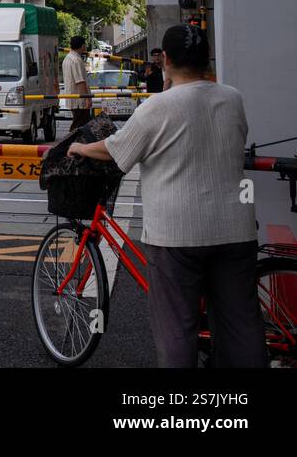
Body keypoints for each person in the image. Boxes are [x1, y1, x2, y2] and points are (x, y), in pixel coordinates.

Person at [68, 25, 266, 367]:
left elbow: (118, 152)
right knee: (241, 325)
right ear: (207, 60)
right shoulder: (232, 98)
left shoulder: (157, 106)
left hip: (176, 236)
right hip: (236, 228)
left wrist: (81, 147)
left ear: (166, 61)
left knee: (177, 328)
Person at [61, 35, 92, 130]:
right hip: (79, 100)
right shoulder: (76, 60)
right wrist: (87, 98)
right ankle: (71, 143)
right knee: (79, 127)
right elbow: (80, 81)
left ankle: (75, 143)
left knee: (78, 124)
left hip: (72, 98)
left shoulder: (67, 58)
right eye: (85, 44)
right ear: (82, 46)